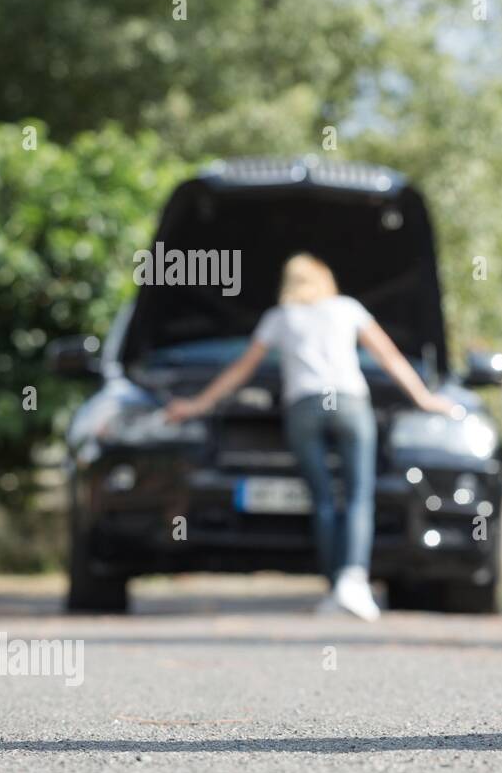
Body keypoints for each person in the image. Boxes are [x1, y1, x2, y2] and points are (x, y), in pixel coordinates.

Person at [166, 253, 458, 620]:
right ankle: (354, 582)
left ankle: (336, 588)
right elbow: (389, 357)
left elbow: (241, 369)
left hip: (303, 408)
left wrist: (196, 405)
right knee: (357, 495)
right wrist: (424, 398)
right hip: (349, 403)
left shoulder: (280, 317)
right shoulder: (347, 308)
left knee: (322, 498)